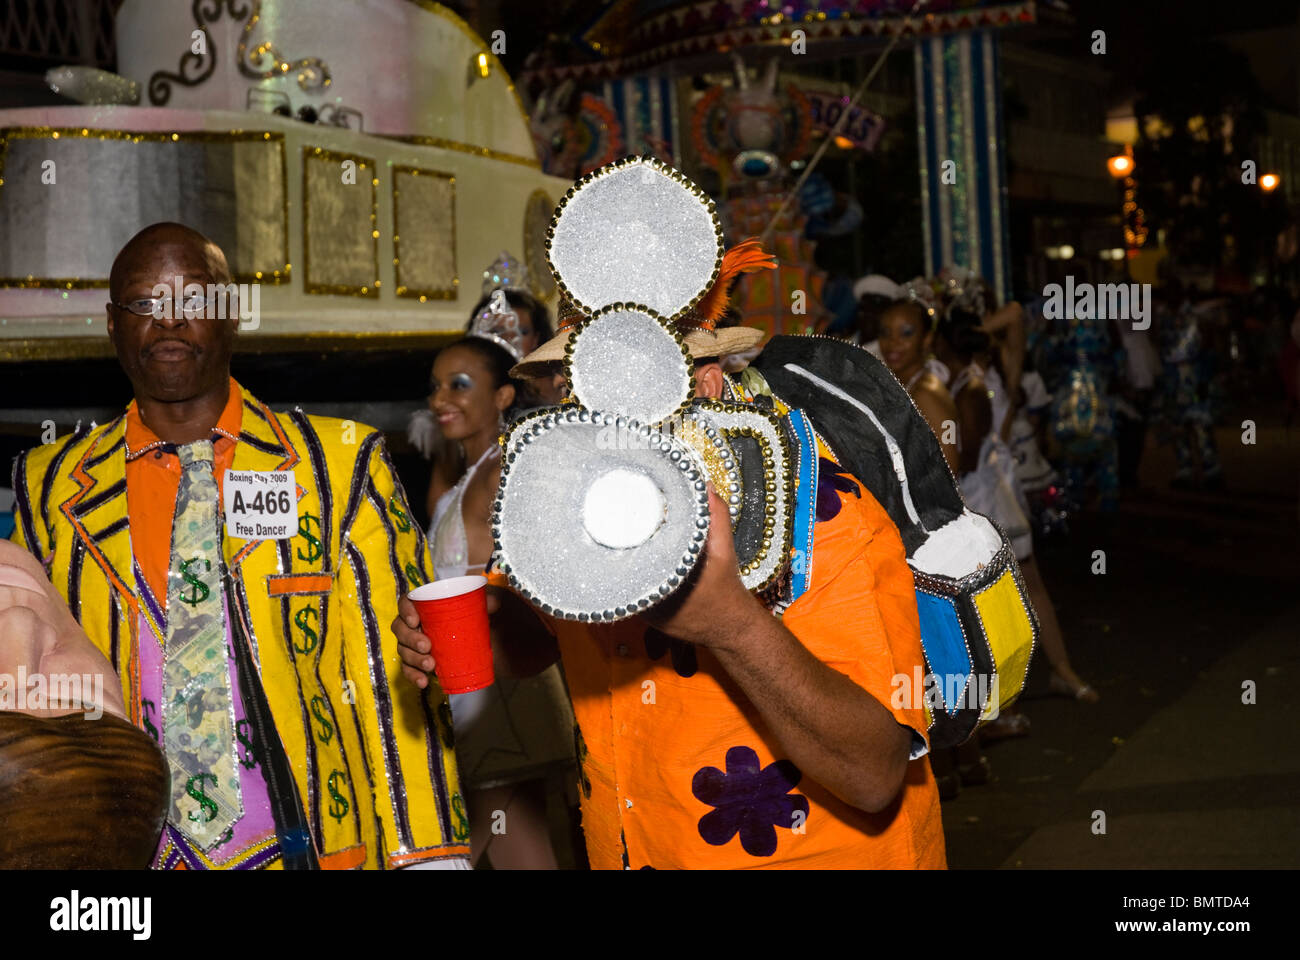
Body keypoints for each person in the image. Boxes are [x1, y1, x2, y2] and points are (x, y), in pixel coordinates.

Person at [395, 248, 947, 869]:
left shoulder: (818, 512)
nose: (599, 412)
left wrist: (735, 626)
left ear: (706, 382)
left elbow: (874, 774)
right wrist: (485, 617)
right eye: (578, 384)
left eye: (628, 378)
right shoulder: (571, 500)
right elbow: (537, 640)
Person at [9, 222, 467, 870]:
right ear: (112, 325)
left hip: (312, 846)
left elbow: (392, 671)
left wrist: (429, 853)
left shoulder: (336, 466)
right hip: (129, 852)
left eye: (194, 300)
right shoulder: (48, 485)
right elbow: (27, 696)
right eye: (144, 304)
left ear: (232, 316)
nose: (169, 322)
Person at [425, 320, 577, 870]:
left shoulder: (504, 470)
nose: (440, 399)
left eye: (459, 384)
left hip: (497, 687)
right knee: (519, 848)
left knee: (460, 843)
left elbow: (524, 579)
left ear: (504, 395)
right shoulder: (470, 473)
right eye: (436, 386)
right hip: (477, 684)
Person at [934, 307, 1098, 709]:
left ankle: (1059, 671)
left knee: (1022, 587)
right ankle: (993, 700)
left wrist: (965, 330)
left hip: (991, 494)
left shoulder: (990, 378)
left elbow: (1013, 316)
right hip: (978, 494)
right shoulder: (945, 381)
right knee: (988, 600)